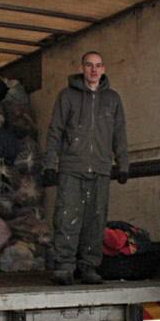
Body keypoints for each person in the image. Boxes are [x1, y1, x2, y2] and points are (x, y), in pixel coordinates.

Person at [43, 51, 129, 285]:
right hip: (72, 168)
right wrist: (51, 163)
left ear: (103, 69)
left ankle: (89, 267)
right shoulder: (67, 96)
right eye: (89, 65)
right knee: (67, 216)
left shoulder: (112, 99)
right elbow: (56, 131)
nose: (94, 70)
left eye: (98, 66)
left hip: (100, 169)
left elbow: (119, 134)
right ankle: (64, 266)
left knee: (96, 219)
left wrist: (123, 164)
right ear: (82, 68)